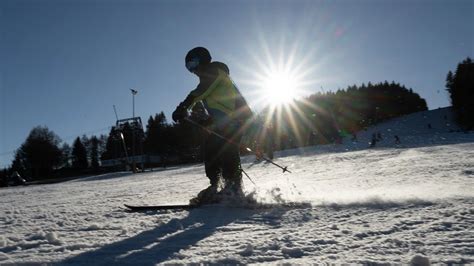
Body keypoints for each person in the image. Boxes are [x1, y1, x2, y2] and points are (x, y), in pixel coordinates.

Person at [172, 47, 253, 204]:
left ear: (202, 59)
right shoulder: (211, 76)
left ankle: (234, 187)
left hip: (238, 120)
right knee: (211, 149)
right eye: (188, 68)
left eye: (192, 64)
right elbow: (220, 105)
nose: (192, 70)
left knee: (227, 150)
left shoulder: (215, 71)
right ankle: (217, 186)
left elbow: (200, 92)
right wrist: (209, 120)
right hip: (226, 121)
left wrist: (184, 106)